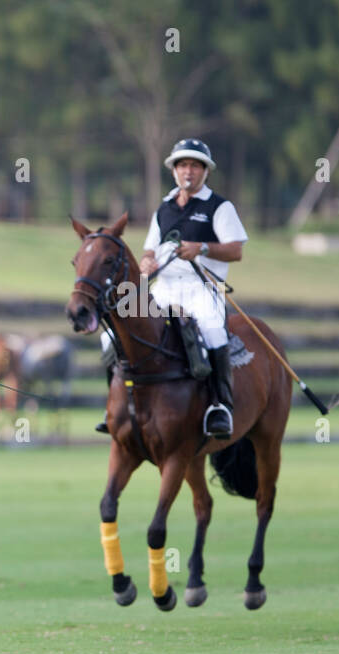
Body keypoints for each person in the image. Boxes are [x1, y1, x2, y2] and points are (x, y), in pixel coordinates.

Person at [98, 138, 247, 439]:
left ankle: (220, 407)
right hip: (163, 287)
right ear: (174, 171)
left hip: (201, 286)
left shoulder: (219, 206)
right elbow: (150, 250)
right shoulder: (164, 208)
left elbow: (236, 251)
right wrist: (147, 264)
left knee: (213, 330)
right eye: (182, 165)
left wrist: (201, 248)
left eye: (194, 165)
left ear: (206, 171)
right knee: (110, 335)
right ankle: (115, 404)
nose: (188, 171)